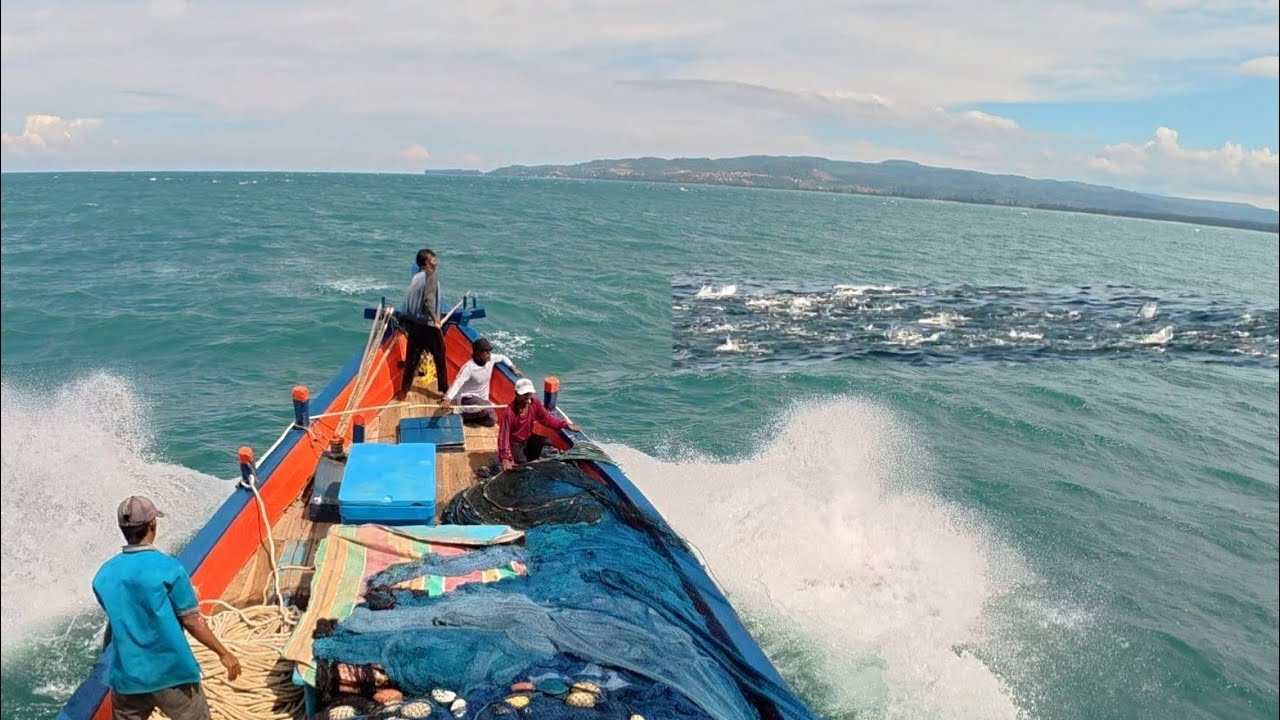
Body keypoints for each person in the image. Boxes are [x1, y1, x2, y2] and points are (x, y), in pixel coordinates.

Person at [92, 496, 241, 720]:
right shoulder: (170, 568)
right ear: (152, 525)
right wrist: (224, 653)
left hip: (128, 679)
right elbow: (192, 621)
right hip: (172, 673)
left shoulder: (103, 575)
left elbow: (117, 620)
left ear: (123, 529)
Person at [497, 377, 579, 470]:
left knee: (546, 442)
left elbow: (547, 419)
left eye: (529, 393)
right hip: (514, 443)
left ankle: (532, 459)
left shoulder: (535, 403)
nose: (528, 396)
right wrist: (505, 458)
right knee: (523, 464)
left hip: (527, 438)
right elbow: (503, 436)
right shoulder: (509, 413)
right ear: (516, 394)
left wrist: (565, 425)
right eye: (524, 394)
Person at [396, 248, 447, 397]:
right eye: (434, 260)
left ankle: (404, 390)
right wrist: (435, 320)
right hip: (428, 325)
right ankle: (444, 391)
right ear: (427, 262)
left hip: (415, 326)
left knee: (412, 359)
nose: (436, 263)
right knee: (440, 357)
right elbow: (428, 300)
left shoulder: (416, 278)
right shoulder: (431, 275)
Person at [440, 337, 521, 426]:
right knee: (486, 408)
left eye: (489, 351)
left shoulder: (490, 359)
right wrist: (447, 399)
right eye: (486, 352)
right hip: (468, 398)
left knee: (492, 421)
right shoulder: (468, 368)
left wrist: (512, 367)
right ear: (477, 353)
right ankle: (457, 411)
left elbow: (503, 358)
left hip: (483, 400)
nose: (489, 354)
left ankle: (465, 417)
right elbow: (457, 383)